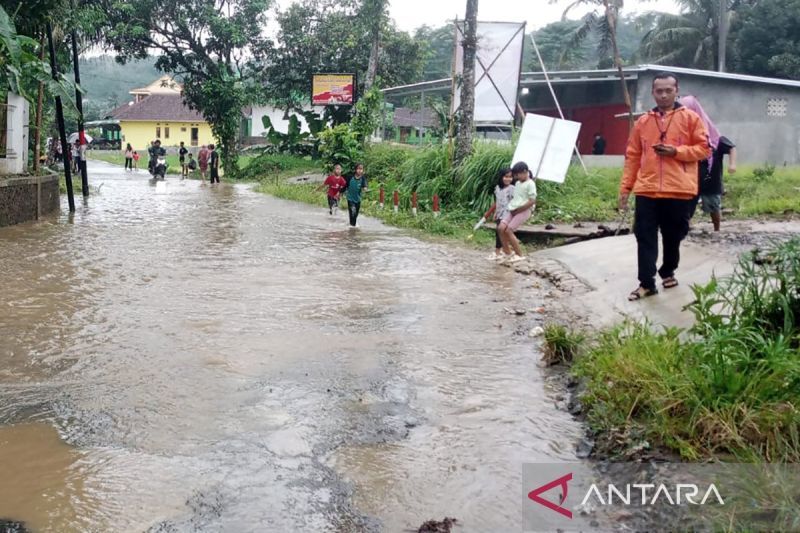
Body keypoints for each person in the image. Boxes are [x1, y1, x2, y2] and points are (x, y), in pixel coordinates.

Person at [619, 72, 710, 302]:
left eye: (668, 90)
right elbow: (632, 156)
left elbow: (704, 149)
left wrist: (676, 152)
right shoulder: (643, 122)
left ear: (676, 90)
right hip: (647, 190)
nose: (663, 95)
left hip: (679, 190)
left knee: (674, 235)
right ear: (653, 92)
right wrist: (625, 189)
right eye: (659, 90)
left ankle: (668, 270)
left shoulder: (691, 119)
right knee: (645, 236)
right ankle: (646, 283)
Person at [680, 95, 737, 231]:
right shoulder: (685, 136)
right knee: (686, 207)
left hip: (711, 181)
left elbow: (731, 148)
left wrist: (732, 164)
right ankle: (684, 229)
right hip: (691, 181)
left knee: (713, 206)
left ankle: (717, 229)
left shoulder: (714, 137)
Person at [498, 162, 537, 264]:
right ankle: (507, 252)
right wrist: (513, 209)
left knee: (509, 230)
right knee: (501, 227)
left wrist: (519, 210)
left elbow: (532, 201)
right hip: (513, 209)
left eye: (517, 174)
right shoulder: (518, 183)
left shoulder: (531, 184)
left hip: (524, 210)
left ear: (525, 172)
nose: (516, 177)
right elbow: (517, 198)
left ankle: (519, 255)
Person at [488, 167, 515, 261]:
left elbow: (514, 201)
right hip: (500, 213)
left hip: (508, 213)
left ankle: (498, 251)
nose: (508, 179)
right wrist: (495, 212)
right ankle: (505, 250)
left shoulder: (512, 189)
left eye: (510, 177)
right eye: (506, 176)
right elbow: (498, 201)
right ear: (501, 177)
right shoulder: (498, 188)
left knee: (500, 232)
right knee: (500, 232)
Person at [344, 163, 368, 227]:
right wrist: (340, 192)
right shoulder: (350, 177)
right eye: (358, 169)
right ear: (355, 170)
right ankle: (352, 228)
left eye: (361, 169)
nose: (360, 170)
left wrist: (365, 188)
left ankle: (352, 225)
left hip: (358, 199)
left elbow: (365, 185)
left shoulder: (363, 178)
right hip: (350, 199)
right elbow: (345, 186)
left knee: (355, 215)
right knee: (352, 211)